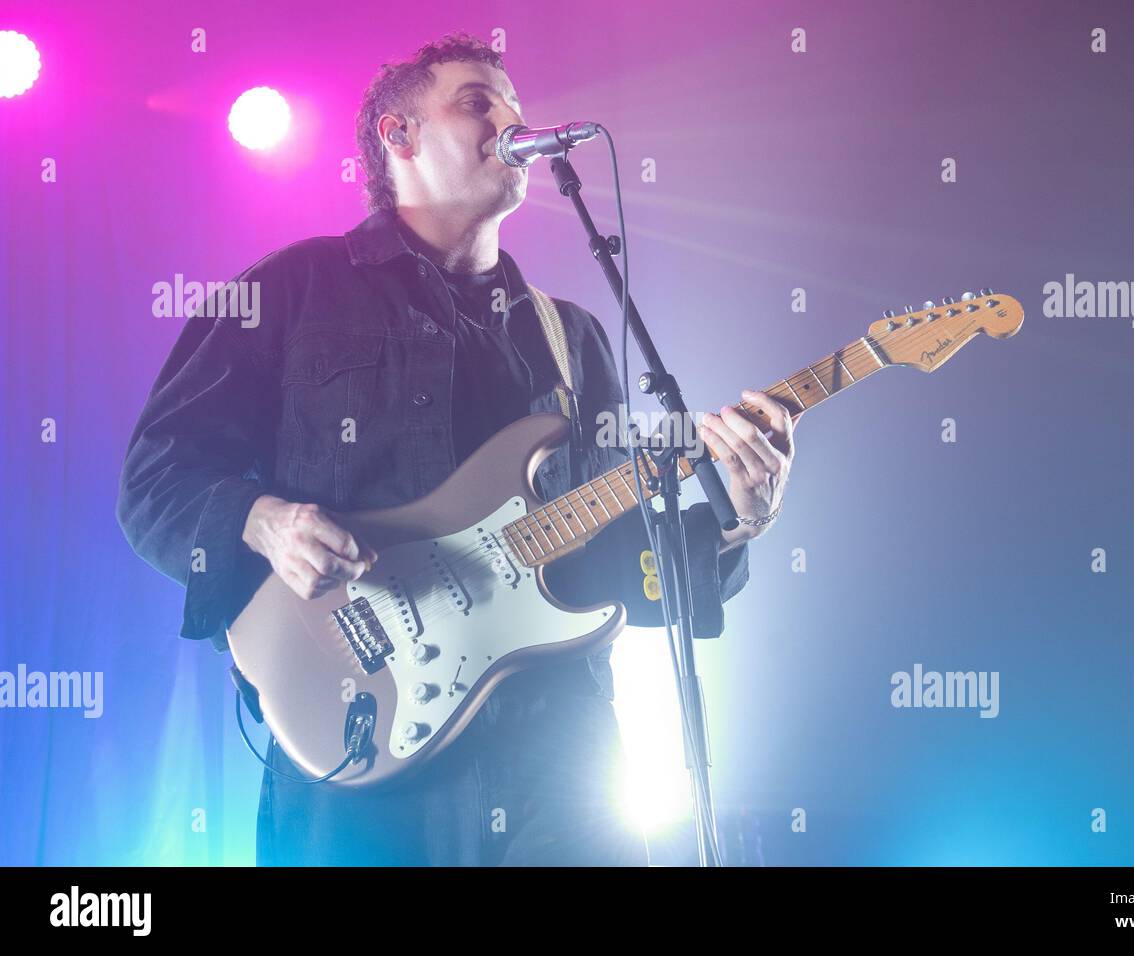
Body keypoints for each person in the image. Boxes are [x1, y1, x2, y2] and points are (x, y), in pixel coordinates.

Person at [116, 31, 796, 865]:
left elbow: (622, 560)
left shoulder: (570, 338)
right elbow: (156, 481)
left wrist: (732, 526)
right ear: (398, 136)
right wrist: (263, 522)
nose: (509, 121)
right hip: (359, 735)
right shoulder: (291, 290)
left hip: (558, 758)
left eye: (514, 105)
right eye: (478, 101)